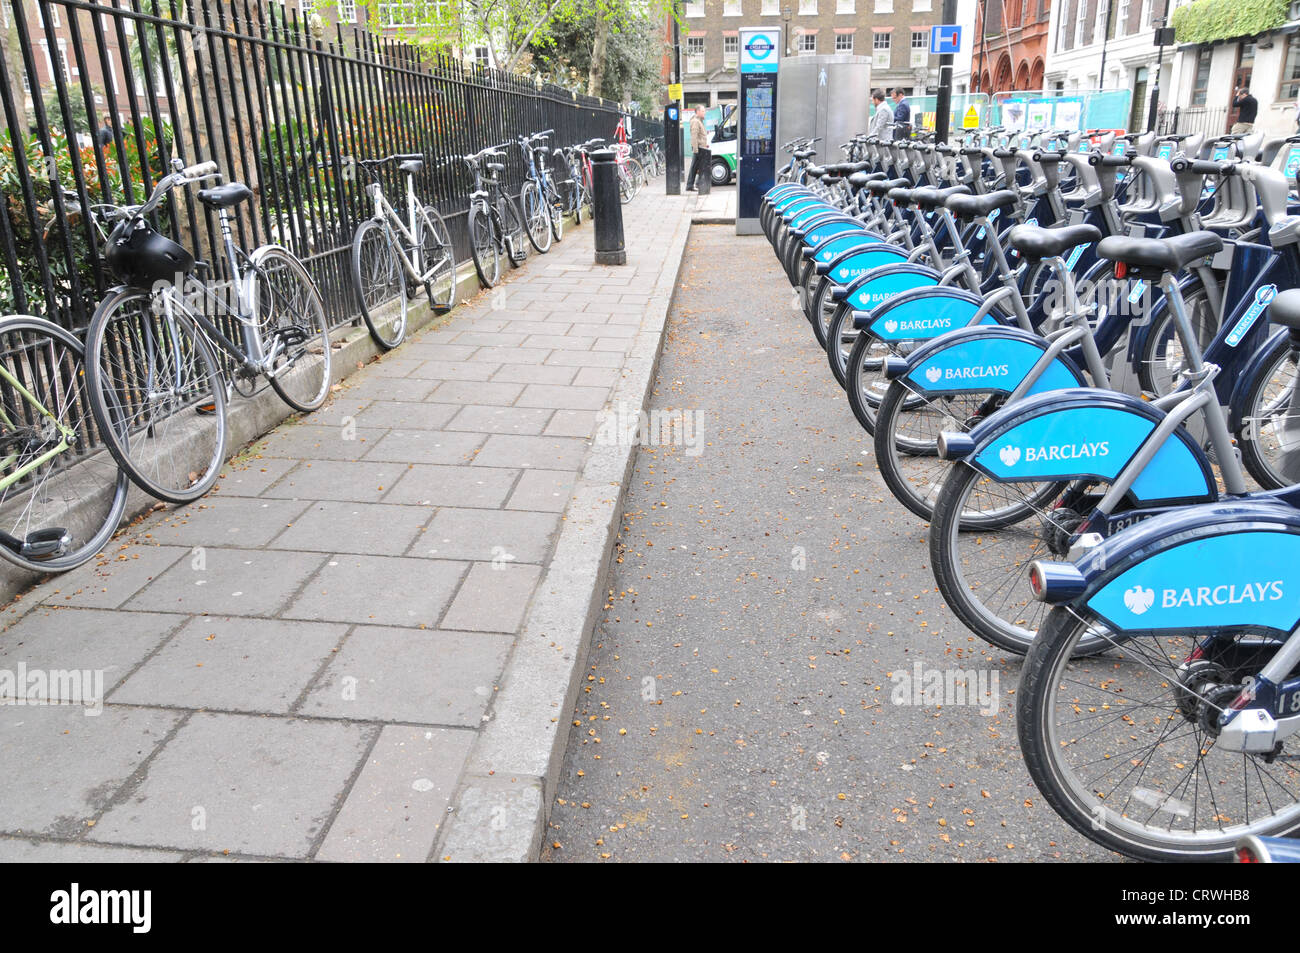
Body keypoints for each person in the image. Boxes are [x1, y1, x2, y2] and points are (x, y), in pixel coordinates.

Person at [686, 104, 710, 192]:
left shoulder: (699, 121)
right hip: (698, 148)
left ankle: (693, 184)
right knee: (695, 167)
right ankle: (691, 185)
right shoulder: (696, 121)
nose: (704, 113)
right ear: (698, 112)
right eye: (703, 111)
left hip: (701, 148)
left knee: (697, 167)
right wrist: (695, 150)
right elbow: (694, 136)